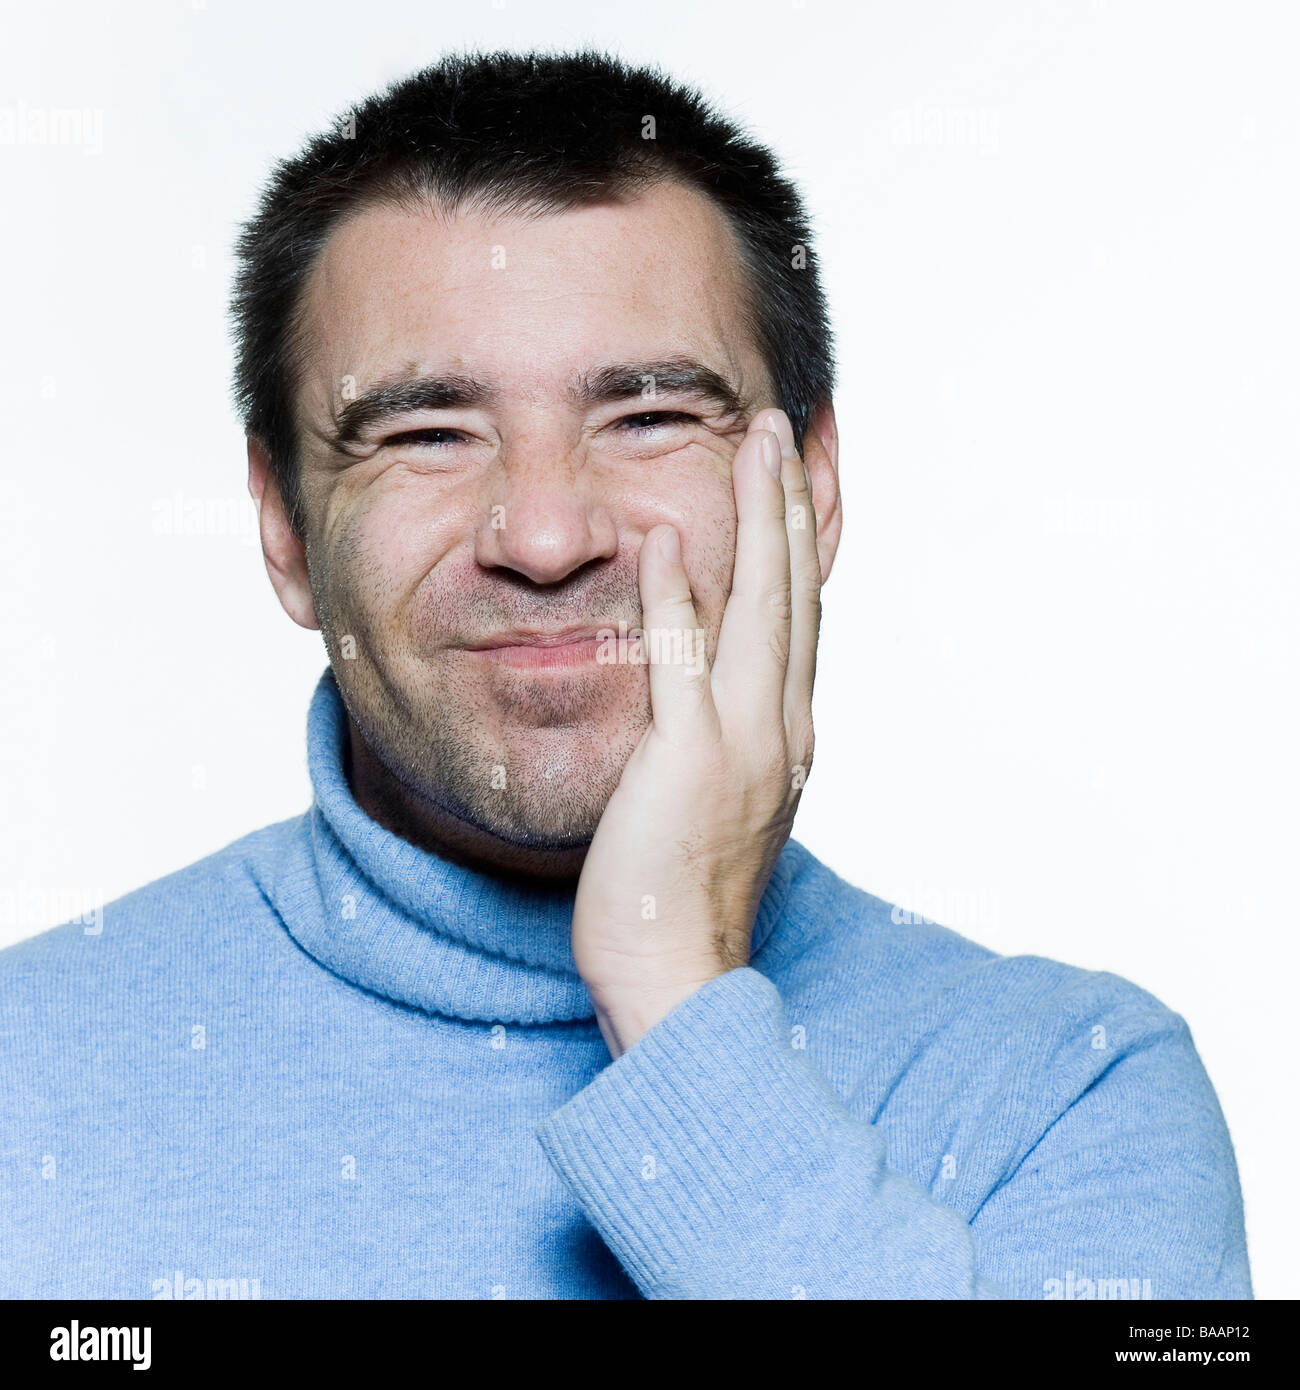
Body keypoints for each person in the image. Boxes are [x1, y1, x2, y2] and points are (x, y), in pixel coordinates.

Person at [0, 51, 1250, 1300]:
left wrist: (671, 997)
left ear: (811, 488)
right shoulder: (25, 1070)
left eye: (648, 416)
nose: (544, 539)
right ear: (283, 531)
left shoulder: (1075, 1095)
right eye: (427, 433)